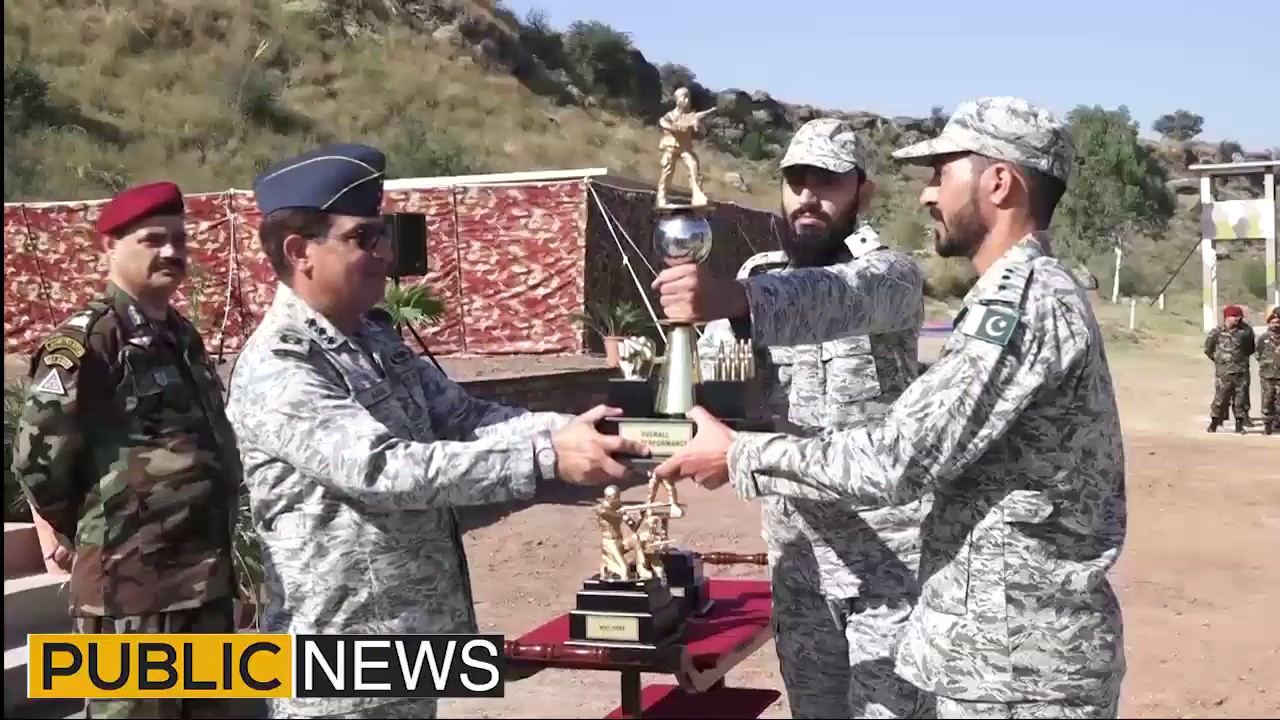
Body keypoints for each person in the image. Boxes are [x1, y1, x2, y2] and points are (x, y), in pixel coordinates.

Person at [653, 97, 1128, 719]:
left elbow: (896, 452)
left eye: (940, 174)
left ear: (999, 182)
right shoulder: (1018, 293)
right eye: (795, 181)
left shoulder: (908, 279)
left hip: (949, 606)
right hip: (820, 564)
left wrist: (740, 441)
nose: (929, 195)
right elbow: (723, 385)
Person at [224, 143, 649, 719]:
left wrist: (576, 430)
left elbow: (465, 419)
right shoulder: (282, 362)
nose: (384, 254)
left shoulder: (372, 337)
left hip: (410, 646)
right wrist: (548, 458)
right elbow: (381, 469)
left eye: (384, 235)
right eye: (363, 238)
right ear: (300, 251)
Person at [691, 118, 932, 719]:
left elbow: (832, 300)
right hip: (798, 557)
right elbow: (723, 385)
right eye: (796, 181)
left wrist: (730, 300)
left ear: (862, 193)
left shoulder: (891, 275)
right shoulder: (758, 276)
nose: (807, 197)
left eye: (826, 183)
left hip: (889, 563)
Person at [10, 181, 244, 719]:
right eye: (153, 239)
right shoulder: (88, 341)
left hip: (200, 582)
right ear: (110, 247)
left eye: (180, 240)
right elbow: (39, 459)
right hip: (129, 590)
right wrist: (91, 528)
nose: (171, 252)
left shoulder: (180, 334)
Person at [1203, 304, 1256, 433]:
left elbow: (1250, 348)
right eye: (1234, 316)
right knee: (1220, 399)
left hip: (1241, 371)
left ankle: (1240, 425)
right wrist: (1220, 361)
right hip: (1224, 373)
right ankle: (1214, 423)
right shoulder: (1216, 332)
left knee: (1240, 399)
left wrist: (1240, 360)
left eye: (1239, 317)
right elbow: (1208, 349)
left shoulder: (1246, 331)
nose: (1237, 319)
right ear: (1227, 317)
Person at [1257, 305, 1279, 435]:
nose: (1275, 325)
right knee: (1267, 399)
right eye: (1273, 322)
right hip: (1267, 375)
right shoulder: (1263, 338)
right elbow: (1258, 353)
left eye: (1278, 322)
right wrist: (1266, 364)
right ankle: (1267, 425)